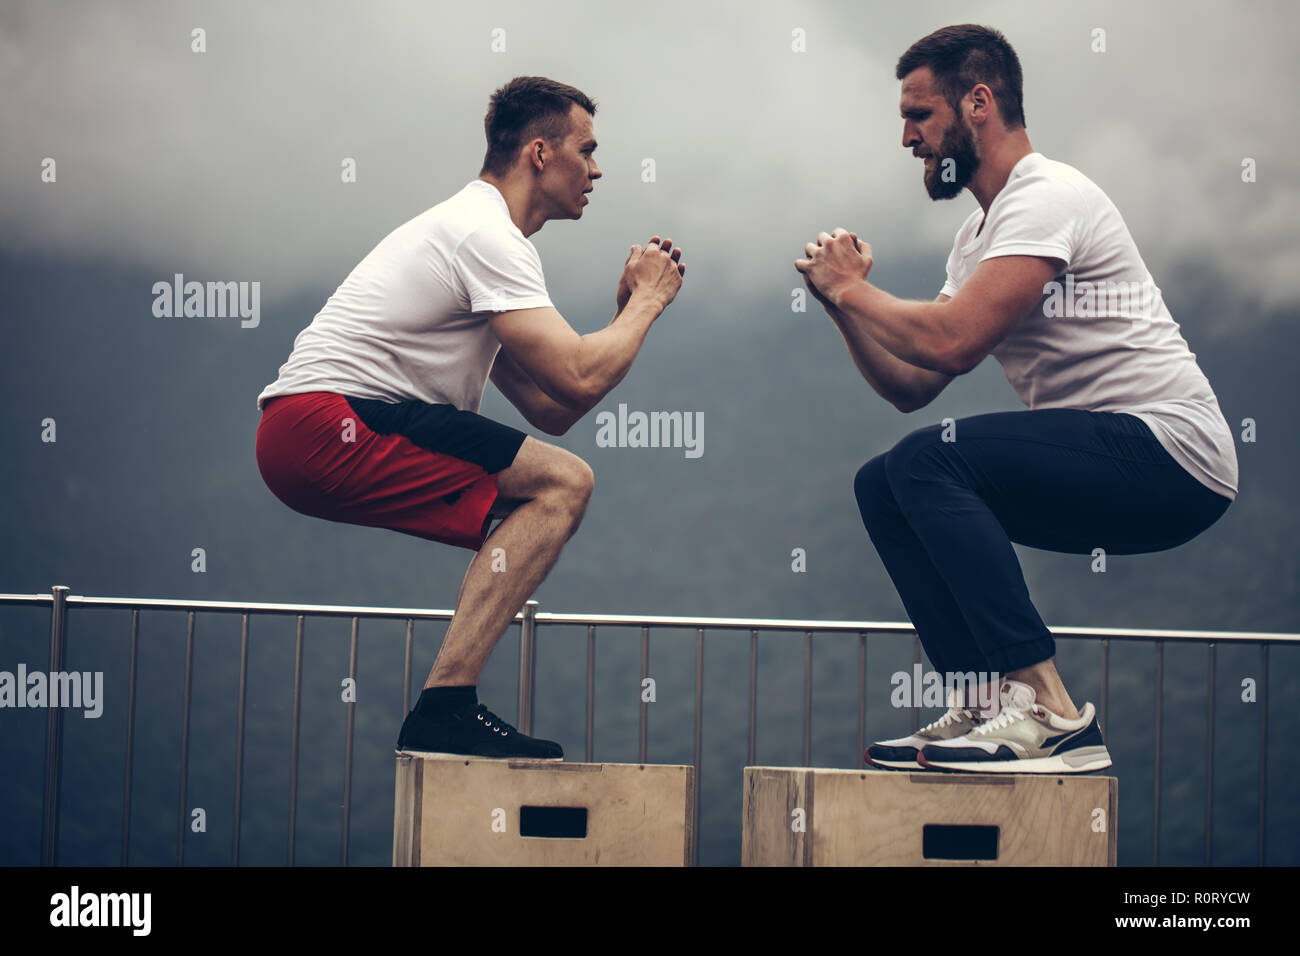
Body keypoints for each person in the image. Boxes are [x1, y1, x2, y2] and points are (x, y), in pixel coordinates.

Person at [795, 25, 1236, 773]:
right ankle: (984, 701)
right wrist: (840, 305)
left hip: (1171, 455)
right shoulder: (978, 233)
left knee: (931, 464)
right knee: (886, 483)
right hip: (1109, 455)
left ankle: (1051, 712)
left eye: (919, 115)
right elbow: (912, 385)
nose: (908, 138)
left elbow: (953, 341)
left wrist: (854, 287)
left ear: (978, 102)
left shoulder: (1048, 195)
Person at [255, 76, 686, 760]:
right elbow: (577, 374)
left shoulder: (475, 235)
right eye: (588, 149)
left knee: (548, 490)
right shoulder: (486, 236)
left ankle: (447, 705)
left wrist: (623, 313)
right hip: (326, 423)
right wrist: (649, 303)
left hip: (300, 434)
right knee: (563, 485)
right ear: (540, 153)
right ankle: (447, 704)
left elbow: (557, 405)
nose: (598, 170)